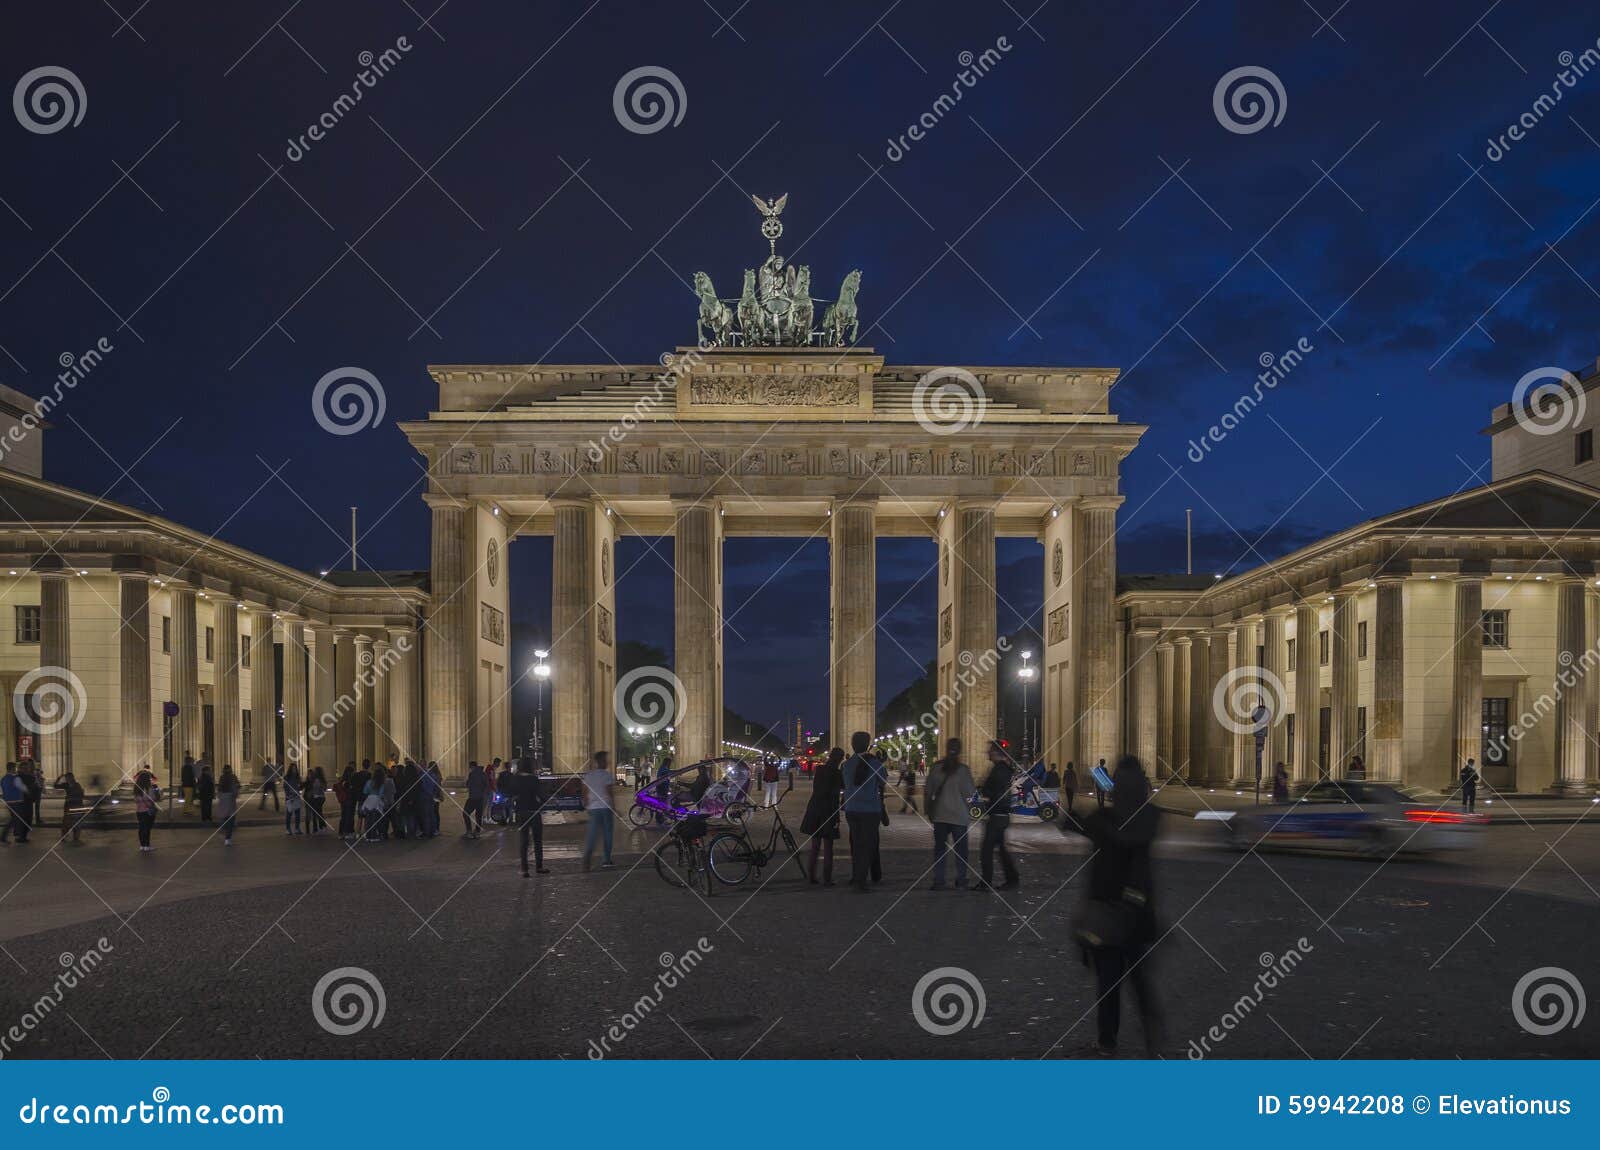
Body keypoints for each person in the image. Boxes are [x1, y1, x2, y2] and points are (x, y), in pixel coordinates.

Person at [1065, 755, 1163, 1056]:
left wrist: (1072, 819)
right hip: (1136, 912)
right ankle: (1153, 1037)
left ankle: (1107, 1041)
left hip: (1108, 914)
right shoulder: (1149, 819)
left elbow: (1077, 825)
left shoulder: (1104, 820)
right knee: (1138, 980)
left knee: (1109, 983)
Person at [926, 738, 976, 890]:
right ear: (960, 750)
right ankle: (961, 880)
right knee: (961, 852)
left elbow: (928, 792)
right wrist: (972, 808)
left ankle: (939, 880)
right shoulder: (963, 770)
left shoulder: (936, 768)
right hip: (959, 817)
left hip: (940, 815)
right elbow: (970, 794)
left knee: (940, 850)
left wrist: (929, 811)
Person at [841, 732, 886, 893]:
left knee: (856, 844)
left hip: (852, 809)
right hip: (870, 810)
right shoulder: (875, 764)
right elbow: (882, 782)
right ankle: (861, 881)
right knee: (868, 845)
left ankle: (856, 875)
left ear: (853, 745)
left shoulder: (846, 765)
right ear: (867, 745)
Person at [978, 740, 1020, 891]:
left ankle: (986, 882)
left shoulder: (999, 770)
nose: (988, 753)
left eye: (990, 751)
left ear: (996, 753)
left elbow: (993, 790)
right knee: (1001, 849)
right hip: (1001, 814)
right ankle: (1012, 878)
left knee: (986, 849)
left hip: (997, 814)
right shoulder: (1003, 769)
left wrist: (986, 792)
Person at [800, 747, 844, 885]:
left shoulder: (819, 770)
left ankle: (811, 875)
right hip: (829, 810)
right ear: (840, 759)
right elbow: (840, 790)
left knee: (815, 845)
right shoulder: (837, 774)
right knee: (828, 847)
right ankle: (827, 878)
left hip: (815, 808)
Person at [511, 757, 549, 877]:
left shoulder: (516, 779)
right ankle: (539, 866)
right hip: (534, 811)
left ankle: (524, 869)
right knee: (537, 840)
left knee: (524, 841)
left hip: (521, 812)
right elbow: (541, 795)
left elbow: (511, 793)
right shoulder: (533, 779)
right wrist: (543, 801)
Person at [581, 751, 616, 871]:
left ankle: (587, 856)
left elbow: (584, 792)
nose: (608, 762)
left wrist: (586, 804)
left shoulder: (589, 775)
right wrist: (614, 806)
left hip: (593, 808)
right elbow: (609, 792)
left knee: (592, 834)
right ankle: (606, 859)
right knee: (608, 834)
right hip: (605, 807)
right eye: (606, 760)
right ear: (602, 761)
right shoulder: (607, 775)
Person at [133, 768, 160, 852]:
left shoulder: (136, 789)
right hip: (147, 811)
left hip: (139, 811)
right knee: (147, 829)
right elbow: (153, 798)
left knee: (141, 828)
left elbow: (136, 800)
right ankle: (147, 845)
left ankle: (142, 845)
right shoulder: (149, 788)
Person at [56, 770, 86, 844]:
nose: (68, 779)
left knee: (76, 821)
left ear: (72, 778)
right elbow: (55, 786)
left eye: (69, 778)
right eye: (67, 778)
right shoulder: (66, 785)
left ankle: (76, 837)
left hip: (77, 804)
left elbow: (81, 794)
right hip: (68, 805)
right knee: (66, 821)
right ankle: (64, 836)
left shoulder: (77, 785)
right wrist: (59, 778)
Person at [2, 761, 28, 844]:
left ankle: (17, 835)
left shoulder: (3, 778)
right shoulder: (15, 778)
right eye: (15, 768)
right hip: (17, 801)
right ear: (12, 768)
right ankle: (17, 837)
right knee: (17, 819)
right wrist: (28, 791)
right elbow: (22, 788)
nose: (16, 770)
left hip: (8, 802)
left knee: (15, 819)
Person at [216, 765, 240, 845]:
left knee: (225, 816)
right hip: (230, 798)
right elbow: (237, 786)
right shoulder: (233, 777)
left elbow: (219, 788)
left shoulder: (222, 777)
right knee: (231, 818)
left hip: (223, 797)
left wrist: (219, 796)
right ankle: (228, 838)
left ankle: (226, 831)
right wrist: (236, 793)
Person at [464, 760, 487, 837]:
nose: (469, 768)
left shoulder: (472, 774)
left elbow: (468, 784)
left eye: (470, 767)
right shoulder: (483, 774)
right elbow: (486, 785)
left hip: (473, 797)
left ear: (472, 767)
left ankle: (469, 831)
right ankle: (477, 831)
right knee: (478, 815)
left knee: (465, 813)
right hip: (481, 797)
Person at [306, 767, 328, 833]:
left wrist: (311, 792)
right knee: (318, 812)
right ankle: (320, 827)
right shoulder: (321, 779)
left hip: (317, 797)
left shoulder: (317, 780)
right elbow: (324, 788)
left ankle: (322, 826)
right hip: (320, 797)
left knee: (318, 813)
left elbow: (316, 788)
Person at [653, 756, 673, 825]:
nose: (670, 764)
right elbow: (666, 775)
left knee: (662, 803)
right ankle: (660, 819)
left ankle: (660, 817)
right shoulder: (664, 769)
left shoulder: (662, 768)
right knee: (661, 804)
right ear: (667, 762)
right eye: (669, 762)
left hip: (662, 788)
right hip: (662, 789)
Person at [283, 766, 303, 834]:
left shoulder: (298, 777)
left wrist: (300, 787)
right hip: (290, 798)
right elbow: (285, 787)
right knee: (289, 814)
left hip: (296, 797)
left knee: (297, 814)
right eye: (293, 769)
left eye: (295, 769)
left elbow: (300, 787)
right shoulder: (287, 777)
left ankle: (297, 828)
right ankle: (288, 829)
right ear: (290, 769)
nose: (294, 770)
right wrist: (288, 795)